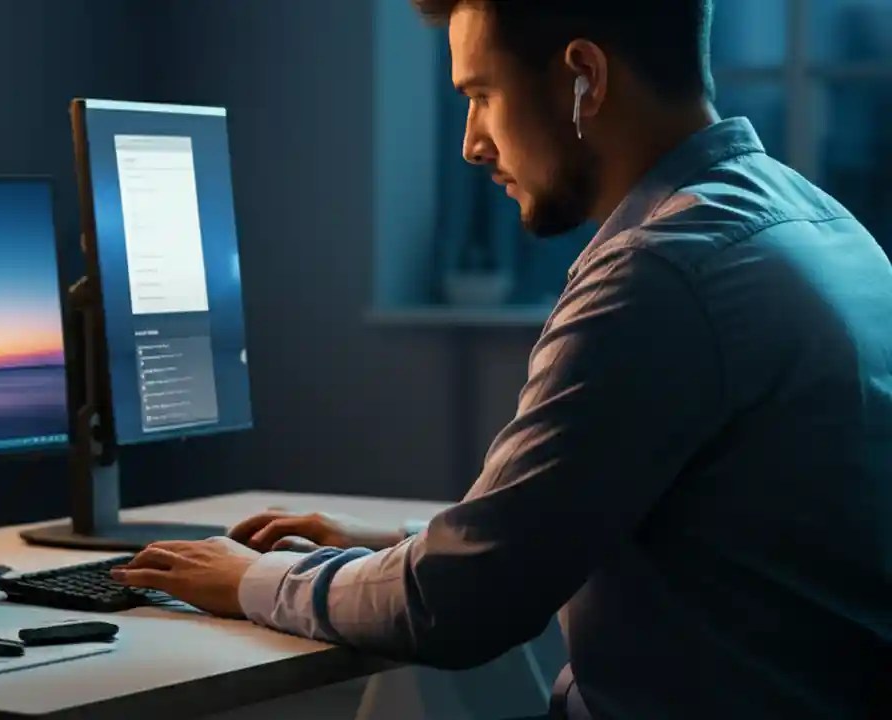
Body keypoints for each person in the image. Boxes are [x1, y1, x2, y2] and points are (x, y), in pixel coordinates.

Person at [110, 1, 892, 717]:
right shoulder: (822, 225)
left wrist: (249, 579)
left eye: (481, 95)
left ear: (584, 77)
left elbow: (459, 606)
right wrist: (403, 543)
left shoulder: (656, 275)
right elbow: (620, 527)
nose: (471, 144)